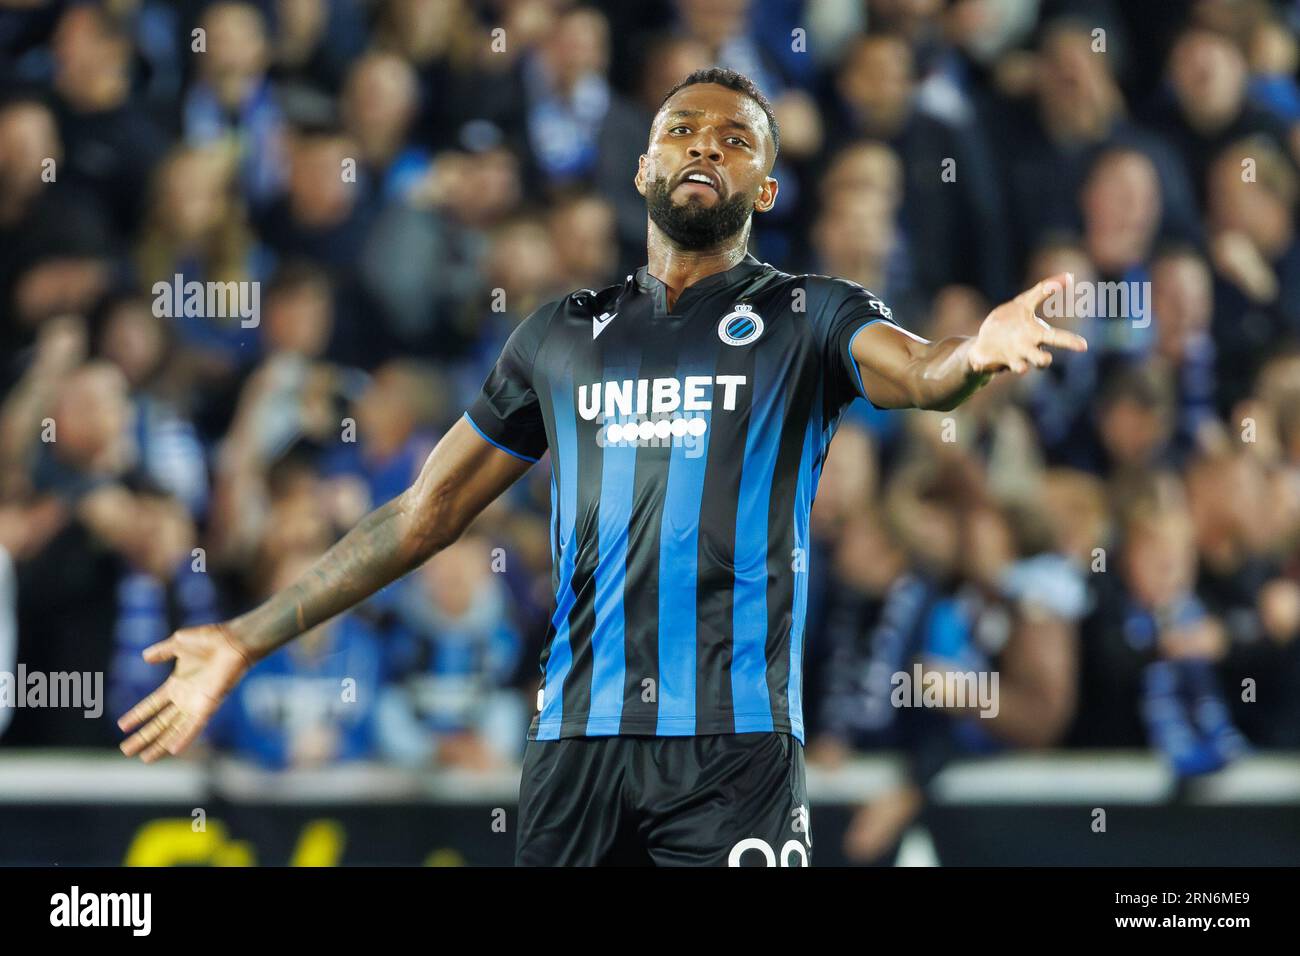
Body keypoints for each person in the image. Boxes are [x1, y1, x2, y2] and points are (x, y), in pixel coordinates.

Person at [117, 68, 1087, 867]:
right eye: (682, 129)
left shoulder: (808, 314)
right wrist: (244, 638)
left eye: (735, 138)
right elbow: (422, 511)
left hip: (732, 745)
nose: (705, 144)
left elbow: (920, 372)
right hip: (575, 745)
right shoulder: (559, 337)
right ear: (640, 166)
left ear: (767, 188)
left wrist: (973, 354)